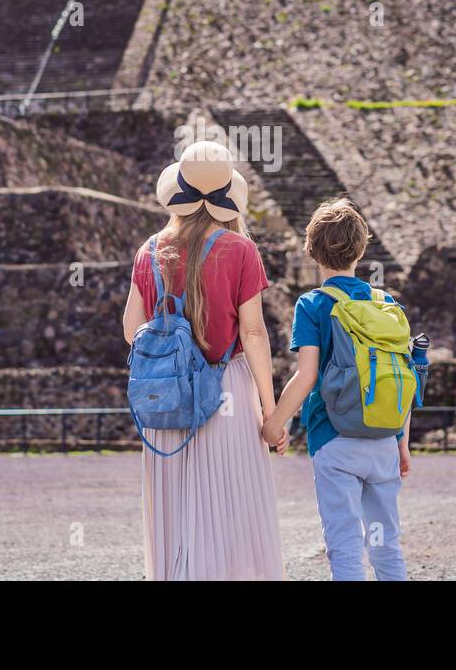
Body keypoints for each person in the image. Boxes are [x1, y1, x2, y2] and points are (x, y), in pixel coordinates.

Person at [121, 140, 286, 580]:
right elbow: (252, 333)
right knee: (228, 512)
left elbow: (131, 330)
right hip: (225, 389)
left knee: (175, 513)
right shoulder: (240, 250)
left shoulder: (150, 251)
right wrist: (270, 412)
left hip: (166, 393)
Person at [261, 197, 410, 581]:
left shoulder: (312, 304)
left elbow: (307, 375)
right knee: (386, 543)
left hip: (334, 437)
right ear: (362, 248)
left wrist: (274, 424)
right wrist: (402, 442)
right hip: (383, 441)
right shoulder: (388, 304)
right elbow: (400, 376)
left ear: (312, 250)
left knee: (344, 544)